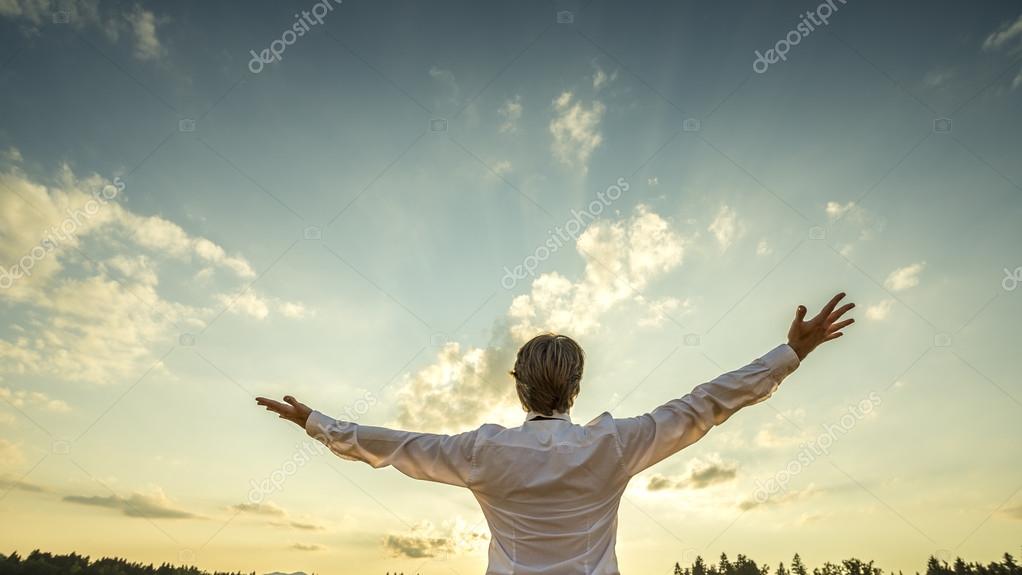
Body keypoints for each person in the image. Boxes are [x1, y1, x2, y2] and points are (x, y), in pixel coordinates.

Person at [256, 293, 855, 575]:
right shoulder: (614, 444)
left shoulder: (481, 452)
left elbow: (391, 445)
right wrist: (787, 356)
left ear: (519, 387)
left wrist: (317, 423)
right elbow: (706, 405)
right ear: (577, 387)